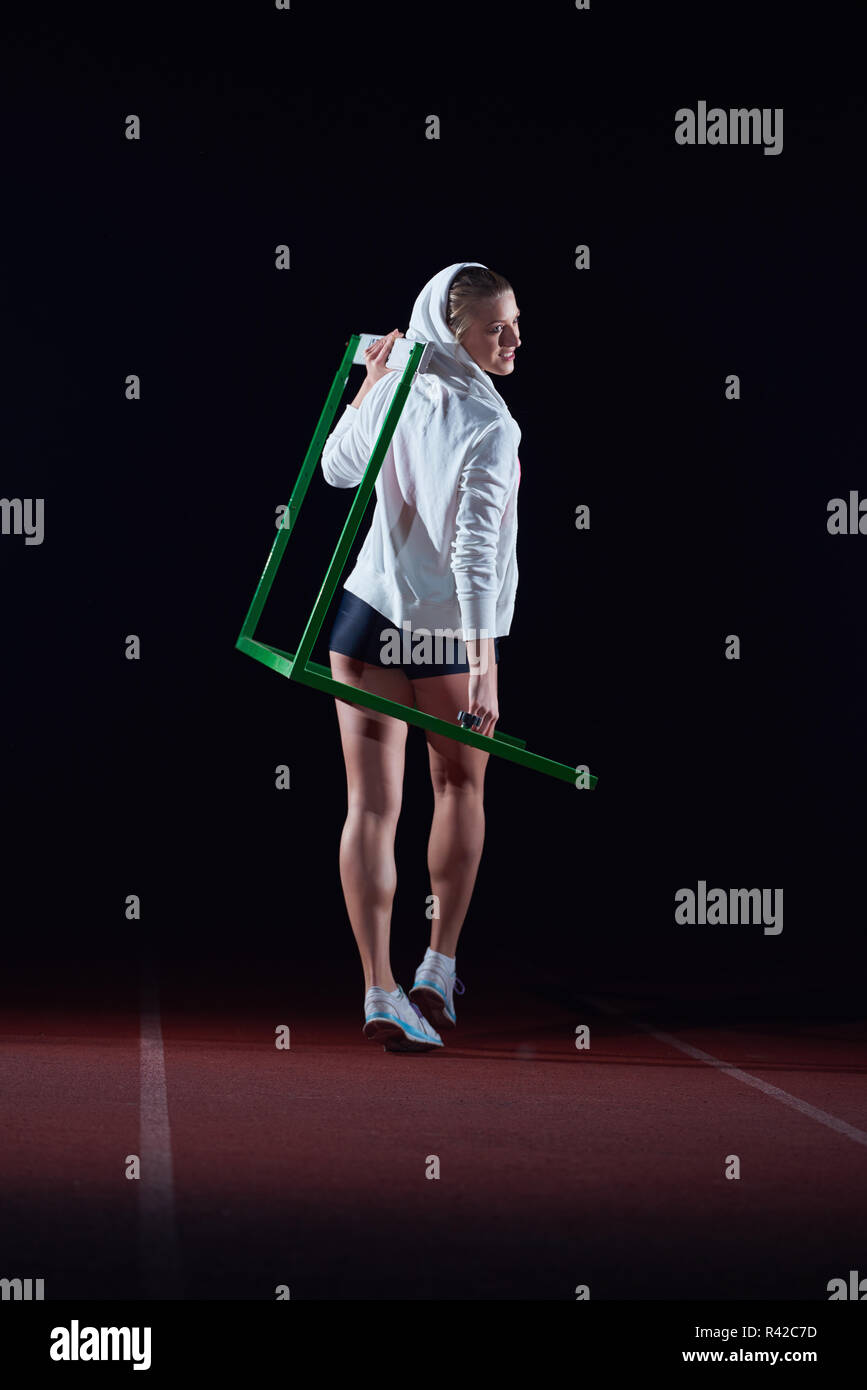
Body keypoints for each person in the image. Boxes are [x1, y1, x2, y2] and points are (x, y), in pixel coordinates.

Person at [320, 262, 522, 1053]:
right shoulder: (489, 425)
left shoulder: (401, 372)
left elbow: (340, 469)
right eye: (495, 327)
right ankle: (432, 966)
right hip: (437, 631)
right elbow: (473, 552)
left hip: (363, 614)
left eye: (514, 321)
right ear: (456, 327)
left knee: (371, 806)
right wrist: (485, 662)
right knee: (456, 783)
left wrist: (368, 384)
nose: (511, 338)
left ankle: (386, 986)